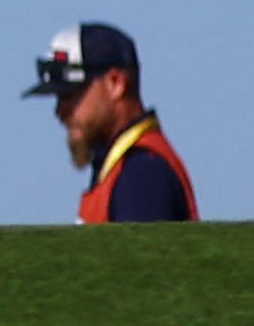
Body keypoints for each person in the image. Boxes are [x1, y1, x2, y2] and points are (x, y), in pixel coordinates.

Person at [28, 23, 200, 222]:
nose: (59, 111)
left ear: (116, 83)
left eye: (70, 95)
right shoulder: (125, 168)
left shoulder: (142, 174)